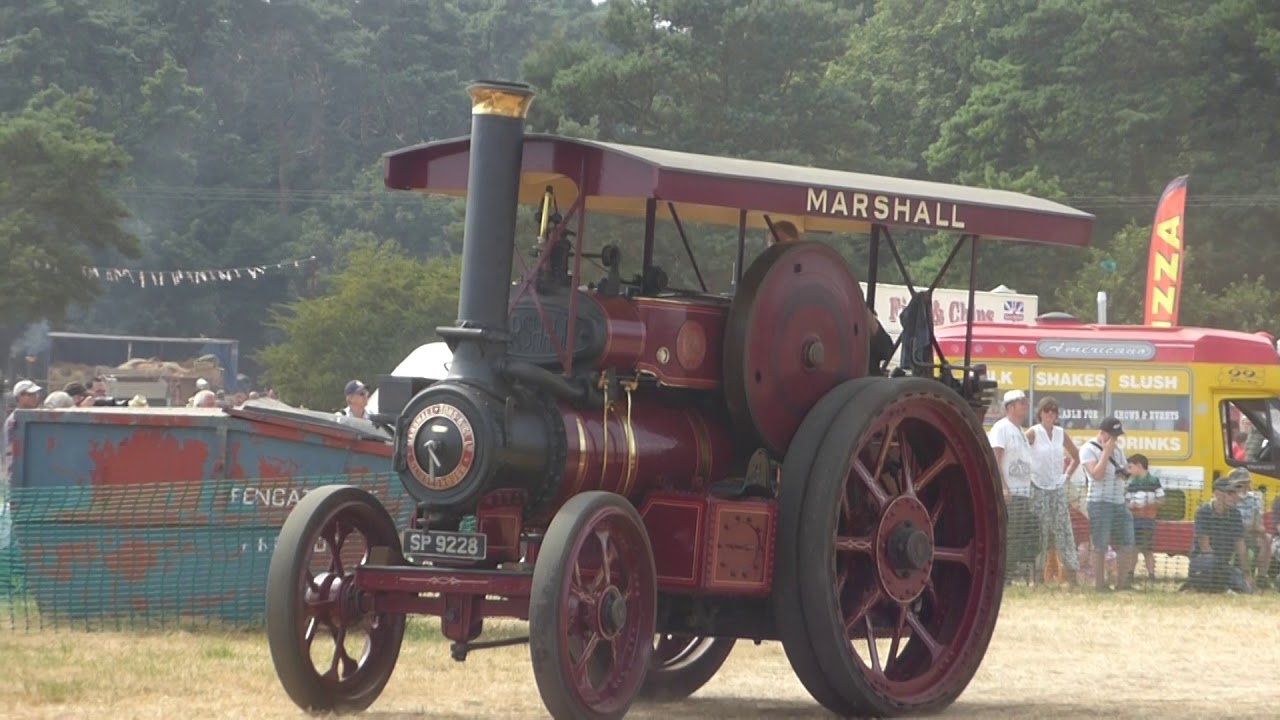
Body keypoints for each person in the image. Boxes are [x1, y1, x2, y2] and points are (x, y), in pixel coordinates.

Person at [1024, 396, 1081, 585]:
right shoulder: (1033, 432)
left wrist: (1066, 476)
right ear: (1040, 413)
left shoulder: (1061, 433)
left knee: (1064, 530)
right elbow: (1020, 453)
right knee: (1041, 532)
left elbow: (1076, 456)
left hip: (1057, 488)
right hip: (1037, 487)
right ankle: (1038, 577)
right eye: (1046, 411)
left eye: (1053, 411)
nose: (1050, 414)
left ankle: (1072, 575)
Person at [1079, 416, 1136, 591]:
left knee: (1127, 540)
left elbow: (1125, 471)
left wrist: (1125, 471)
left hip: (1118, 501)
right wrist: (1105, 453)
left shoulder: (1118, 451)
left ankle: (1122, 583)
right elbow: (1096, 474)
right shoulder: (1088, 449)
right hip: (1099, 501)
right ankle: (1100, 584)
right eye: (1112, 436)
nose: (1115, 440)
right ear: (1102, 433)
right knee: (1100, 544)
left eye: (1117, 436)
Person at [989, 389, 1035, 580]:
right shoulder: (1002, 428)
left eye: (1025, 402)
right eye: (1021, 402)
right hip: (1010, 492)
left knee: (1017, 534)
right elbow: (995, 458)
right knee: (1007, 534)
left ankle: (1009, 572)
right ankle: (1001, 574)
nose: (1025, 405)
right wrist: (1002, 486)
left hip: (1022, 492)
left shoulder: (1020, 431)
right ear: (1011, 406)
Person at [1186, 473, 1253, 593]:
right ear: (1217, 494)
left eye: (1235, 493)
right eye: (1230, 493)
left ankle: (1224, 587)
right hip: (1204, 562)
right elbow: (1205, 547)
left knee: (1247, 590)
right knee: (1210, 562)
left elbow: (1240, 545)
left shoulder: (1235, 514)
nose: (1235, 497)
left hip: (1223, 565)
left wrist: (1246, 573)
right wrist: (1222, 568)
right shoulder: (1203, 512)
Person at [1123, 453, 1165, 583]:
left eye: (1130, 467)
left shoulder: (1153, 481)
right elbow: (1126, 500)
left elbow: (1161, 499)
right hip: (1134, 519)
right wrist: (1130, 505)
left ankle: (1151, 574)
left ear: (1139, 466)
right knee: (1133, 547)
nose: (1128, 470)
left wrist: (1148, 506)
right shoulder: (1131, 482)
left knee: (1147, 548)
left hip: (1147, 519)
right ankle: (1130, 573)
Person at [1231, 469, 1271, 590]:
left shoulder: (1255, 499)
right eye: (1238, 484)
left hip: (1251, 532)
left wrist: (1260, 531)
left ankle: (1262, 577)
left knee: (1267, 539)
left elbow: (1258, 522)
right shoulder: (1228, 498)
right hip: (1231, 533)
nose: (1242, 487)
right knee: (1240, 540)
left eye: (1245, 483)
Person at [4, 380, 43, 481]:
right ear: (18, 397)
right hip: (19, 473)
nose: (35, 397)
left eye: (36, 394)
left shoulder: (34, 417)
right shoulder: (15, 420)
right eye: (30, 394)